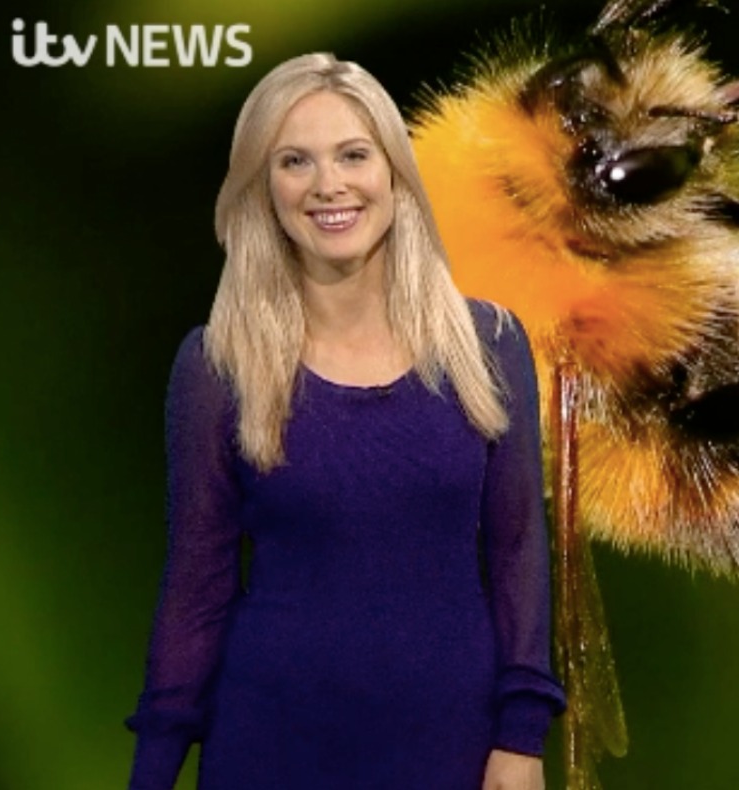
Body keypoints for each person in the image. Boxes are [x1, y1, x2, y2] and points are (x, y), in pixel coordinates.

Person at [125, 52, 565, 790]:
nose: (328, 184)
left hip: (451, 746)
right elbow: (197, 591)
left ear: (394, 172)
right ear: (264, 188)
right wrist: (152, 775)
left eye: (353, 155)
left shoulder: (488, 345)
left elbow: (519, 547)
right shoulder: (217, 364)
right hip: (268, 748)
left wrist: (522, 737)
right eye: (295, 161)